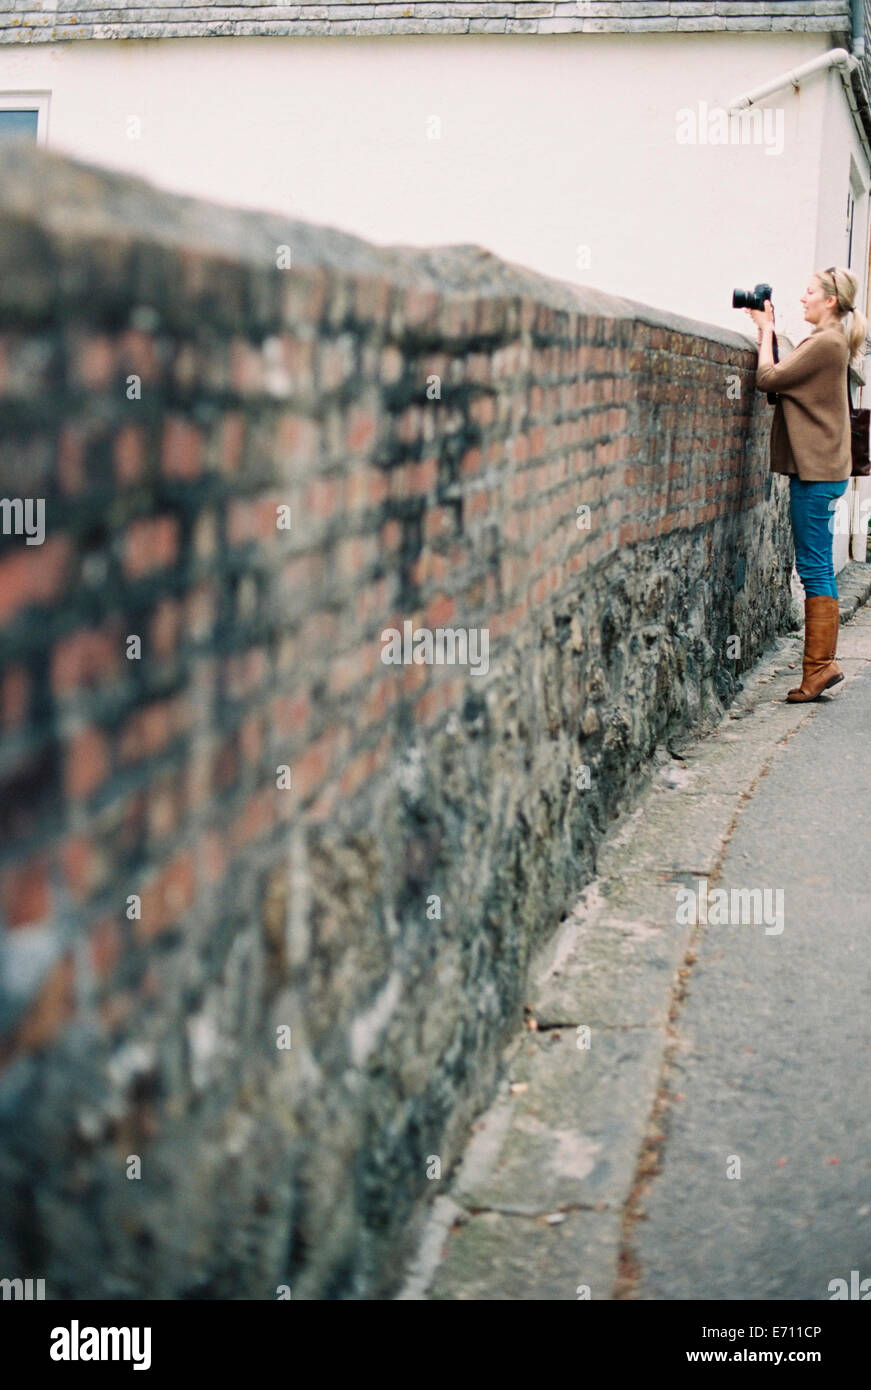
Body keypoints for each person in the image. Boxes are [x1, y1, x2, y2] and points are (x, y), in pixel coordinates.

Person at [747, 267, 867, 701]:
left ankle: (819, 667)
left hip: (815, 474)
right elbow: (789, 381)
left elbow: (770, 379)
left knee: (814, 567)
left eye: (811, 292)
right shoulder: (831, 343)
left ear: (830, 301)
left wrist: (765, 333)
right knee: (816, 565)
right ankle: (821, 664)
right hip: (822, 470)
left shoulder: (826, 343)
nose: (804, 297)